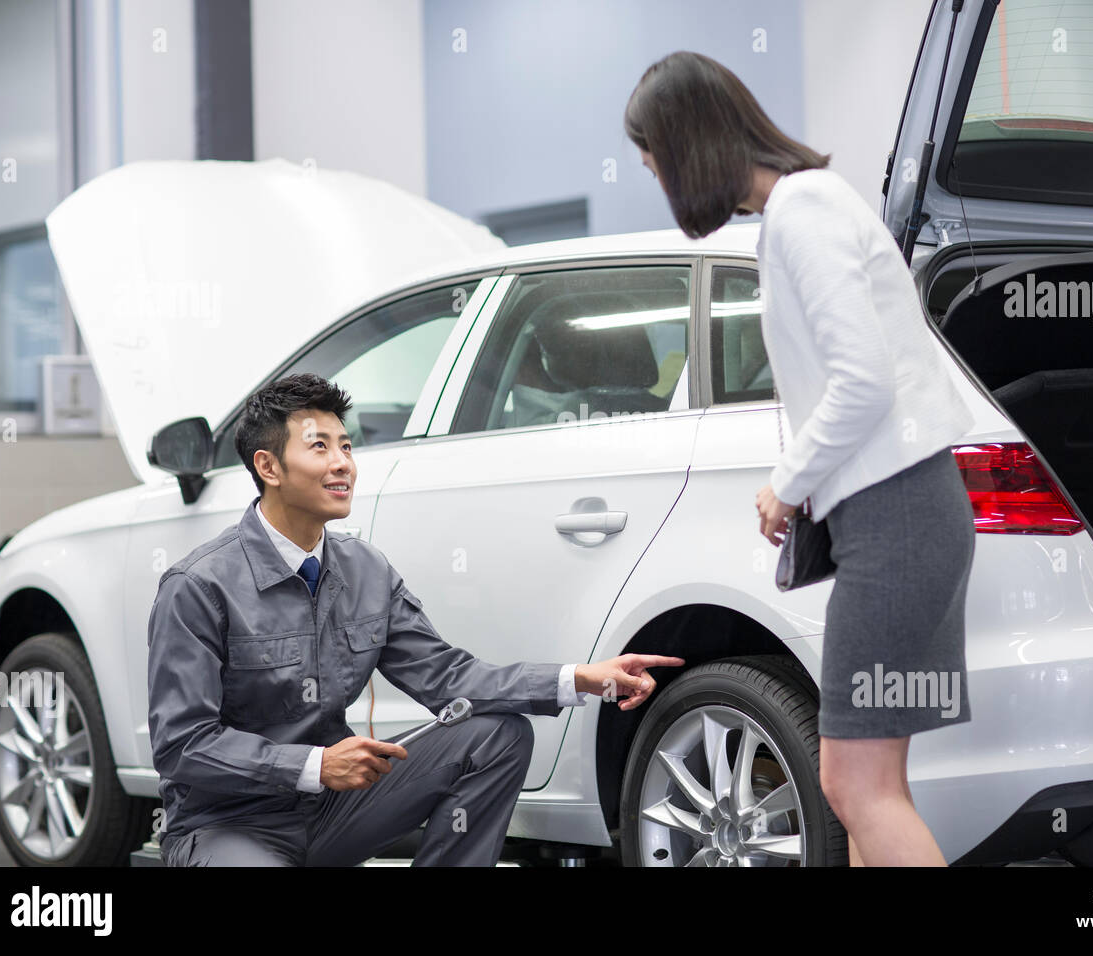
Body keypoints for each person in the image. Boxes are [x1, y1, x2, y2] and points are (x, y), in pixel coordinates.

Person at [624, 51, 976, 866]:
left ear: (688, 146)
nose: (659, 179)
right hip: (905, 516)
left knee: (856, 788)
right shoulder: (805, 207)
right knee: (869, 789)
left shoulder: (802, 212)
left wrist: (787, 486)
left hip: (897, 518)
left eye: (655, 162)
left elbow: (863, 383)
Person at [147, 372, 683, 866]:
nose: (343, 464)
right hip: (229, 825)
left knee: (495, 734)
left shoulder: (366, 571)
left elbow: (450, 679)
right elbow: (182, 747)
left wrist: (576, 678)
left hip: (335, 812)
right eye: (319, 447)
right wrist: (313, 765)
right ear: (268, 467)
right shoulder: (198, 586)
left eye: (347, 447)